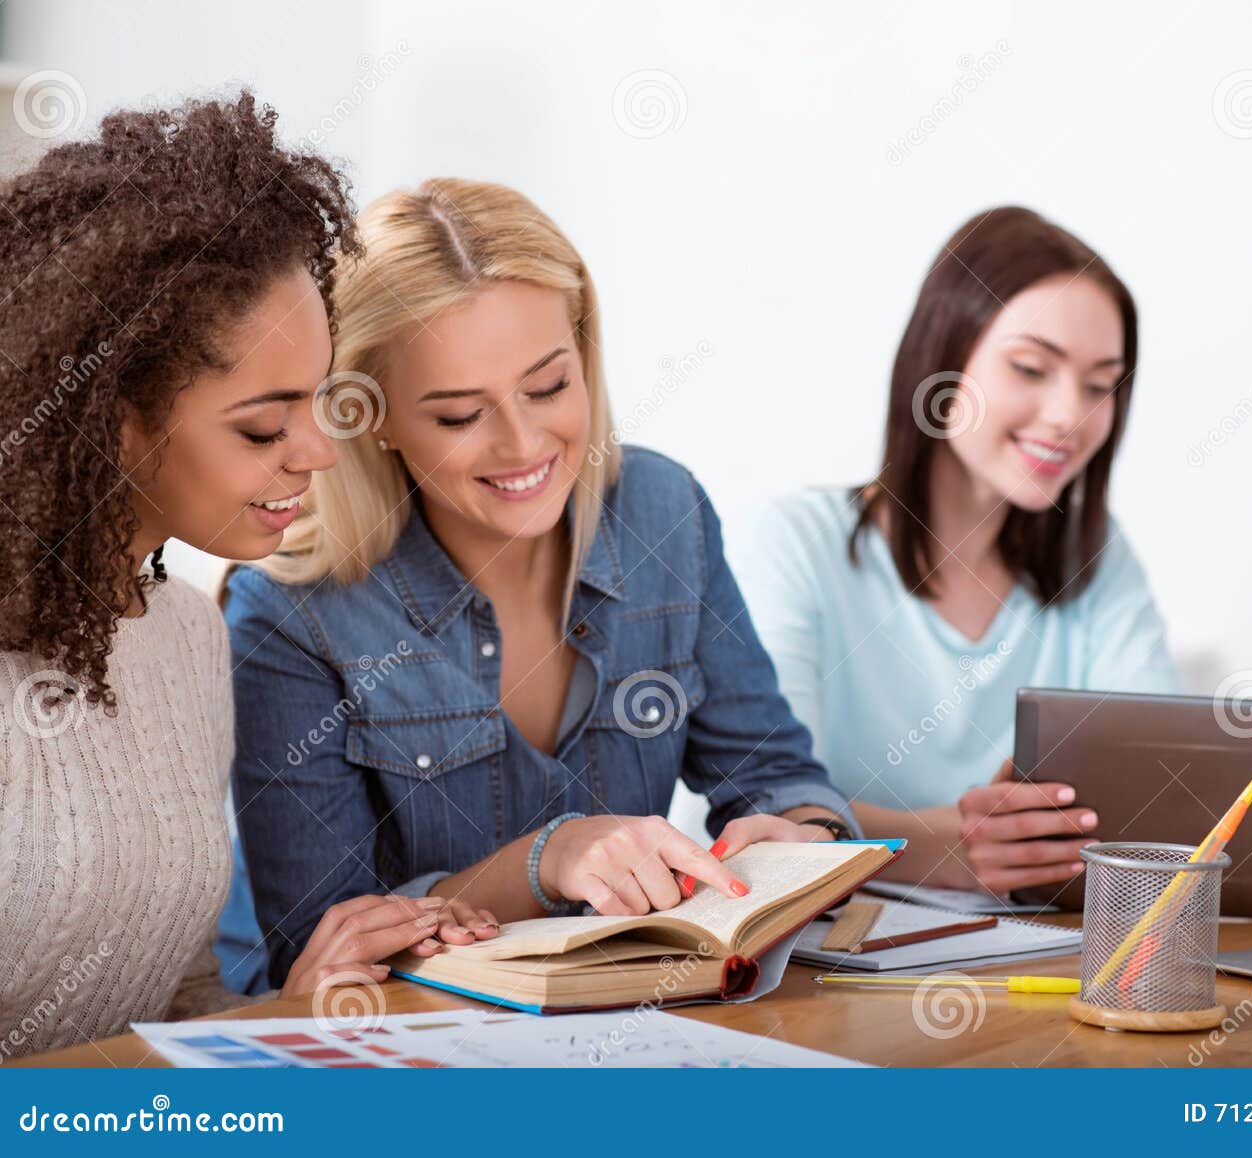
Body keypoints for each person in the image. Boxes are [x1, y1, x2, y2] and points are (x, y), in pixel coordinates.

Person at [224, 179, 859, 986]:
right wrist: (547, 857)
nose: (524, 444)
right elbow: (319, 943)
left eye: (549, 386)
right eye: (460, 415)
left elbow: (775, 774)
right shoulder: (290, 609)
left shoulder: (663, 513)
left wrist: (799, 834)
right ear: (366, 415)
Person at [0, 94, 472, 1059]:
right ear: (112, 416)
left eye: (322, 401)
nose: (319, 453)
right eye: (264, 425)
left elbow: (166, 1001)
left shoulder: (184, 634)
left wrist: (295, 1011)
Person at [726, 207, 1179, 895]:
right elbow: (769, 809)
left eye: (1099, 385)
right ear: (942, 359)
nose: (1069, 415)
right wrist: (956, 846)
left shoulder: (1099, 559)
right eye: (1032, 368)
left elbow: (1162, 797)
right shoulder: (792, 544)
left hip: (1035, 967)